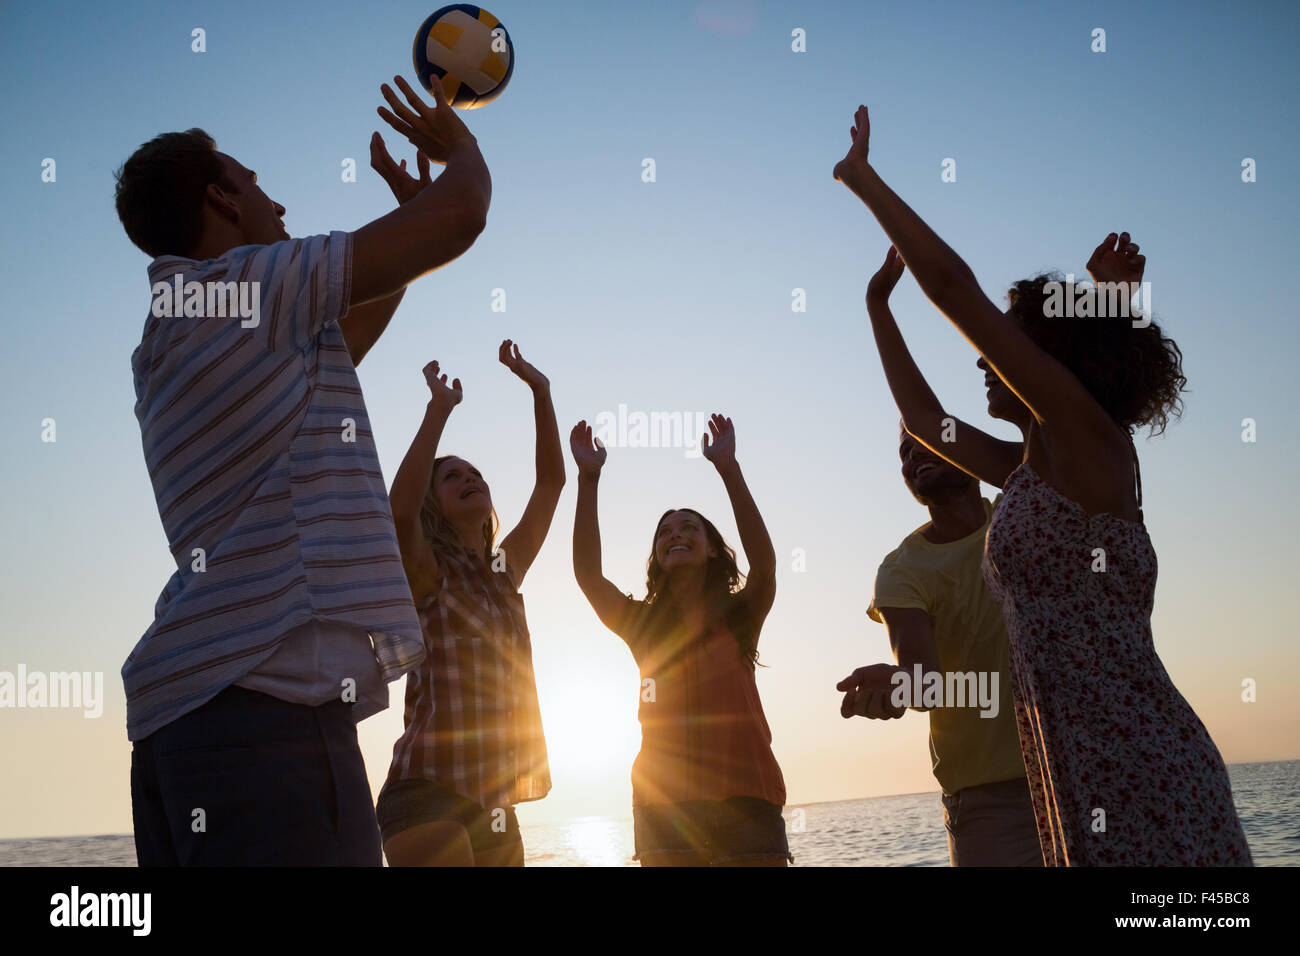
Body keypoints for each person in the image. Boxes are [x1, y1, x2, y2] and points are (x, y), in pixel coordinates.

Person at [833, 104, 1251, 865]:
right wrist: (875, 308)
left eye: (1008, 338)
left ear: (1051, 359)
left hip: (1137, 758)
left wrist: (864, 181)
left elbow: (956, 292)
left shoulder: (1091, 444)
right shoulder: (1033, 471)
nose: (986, 353)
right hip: (1068, 761)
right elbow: (927, 422)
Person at [118, 74, 490, 865]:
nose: (278, 209)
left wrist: (399, 221)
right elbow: (462, 217)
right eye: (257, 187)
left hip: (181, 725)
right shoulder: (246, 285)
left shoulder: (176, 333)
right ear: (221, 198)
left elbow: (341, 340)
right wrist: (459, 149)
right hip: (265, 717)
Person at [571, 414, 790, 866]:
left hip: (749, 795)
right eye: (665, 532)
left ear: (713, 549)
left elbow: (764, 565)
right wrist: (588, 479)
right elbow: (589, 576)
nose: (676, 534)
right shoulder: (642, 626)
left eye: (690, 527)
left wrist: (729, 469)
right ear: (656, 556)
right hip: (664, 803)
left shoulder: (741, 616)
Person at [379, 342, 563, 867]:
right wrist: (438, 410)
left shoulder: (503, 574)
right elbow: (398, 515)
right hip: (426, 789)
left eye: (476, 473)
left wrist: (540, 391)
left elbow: (551, 483)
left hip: (495, 802)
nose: (471, 478)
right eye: (452, 476)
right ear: (435, 506)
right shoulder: (428, 568)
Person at [838, 422, 1040, 867]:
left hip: (1079, 770)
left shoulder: (1022, 515)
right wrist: (896, 686)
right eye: (905, 454)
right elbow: (925, 687)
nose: (913, 456)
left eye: (927, 440)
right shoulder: (901, 571)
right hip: (990, 807)